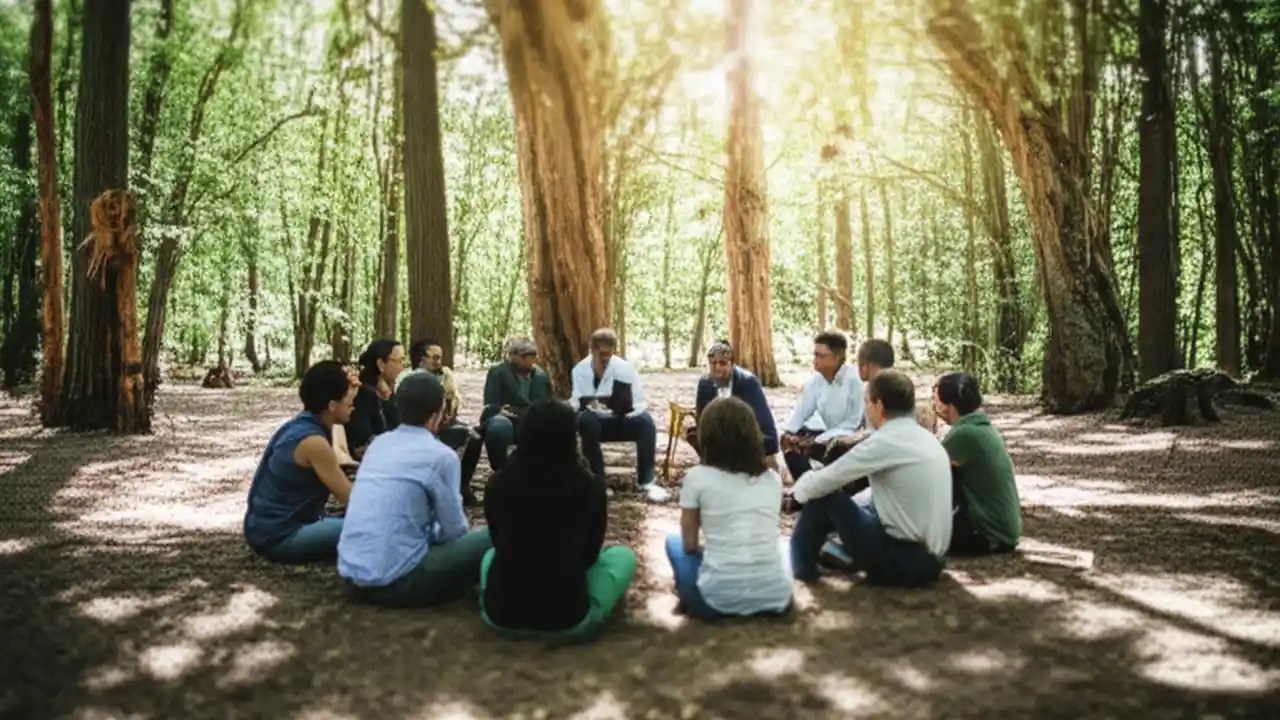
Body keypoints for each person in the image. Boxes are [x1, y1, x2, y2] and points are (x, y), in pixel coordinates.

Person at [481, 400, 637, 642]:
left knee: (490, 556)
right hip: (567, 620)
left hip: (500, 617)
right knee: (623, 556)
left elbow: (496, 538)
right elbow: (590, 556)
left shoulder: (498, 483)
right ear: (570, 438)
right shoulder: (590, 486)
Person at [338, 373, 492, 607]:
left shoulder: (379, 444)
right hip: (398, 582)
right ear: (436, 415)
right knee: (495, 535)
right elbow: (455, 530)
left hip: (352, 576)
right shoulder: (441, 456)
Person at [789, 370, 951, 587]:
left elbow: (827, 479)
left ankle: (801, 569)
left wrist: (795, 494)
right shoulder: (927, 439)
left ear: (879, 405)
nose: (866, 409)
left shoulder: (885, 441)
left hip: (904, 562)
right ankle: (827, 554)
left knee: (826, 496)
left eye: (867, 402)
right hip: (933, 561)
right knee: (858, 501)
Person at [667, 397, 793, 619]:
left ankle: (688, 597)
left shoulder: (697, 478)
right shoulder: (772, 479)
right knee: (781, 546)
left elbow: (689, 545)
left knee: (673, 542)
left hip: (715, 602)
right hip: (777, 599)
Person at [244, 361, 356, 564]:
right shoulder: (314, 443)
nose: (353, 406)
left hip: (263, 529)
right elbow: (351, 498)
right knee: (368, 529)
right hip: (280, 536)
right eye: (349, 402)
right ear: (331, 406)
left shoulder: (301, 425)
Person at [572, 328, 665, 502]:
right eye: (602, 354)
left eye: (609, 354)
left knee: (646, 422)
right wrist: (586, 405)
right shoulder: (580, 370)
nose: (606, 359)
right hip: (596, 423)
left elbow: (639, 401)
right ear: (592, 350)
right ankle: (597, 480)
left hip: (621, 420)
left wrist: (626, 409)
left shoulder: (625, 368)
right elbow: (577, 399)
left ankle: (646, 480)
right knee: (584, 420)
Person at [933, 372, 1021, 555]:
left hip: (987, 533)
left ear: (948, 405)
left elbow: (928, 471)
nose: (934, 405)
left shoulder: (964, 434)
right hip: (1003, 530)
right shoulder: (981, 427)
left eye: (936, 399)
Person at [780, 331, 864, 482]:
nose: (815, 361)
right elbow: (801, 412)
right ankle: (806, 489)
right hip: (824, 434)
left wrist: (819, 441)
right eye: (815, 355)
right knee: (791, 447)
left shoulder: (854, 381)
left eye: (821, 356)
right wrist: (788, 434)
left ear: (837, 357)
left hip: (849, 439)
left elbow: (853, 422)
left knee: (832, 447)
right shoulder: (815, 382)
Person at [686, 341, 780, 468]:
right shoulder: (705, 384)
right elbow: (702, 420)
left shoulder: (748, 383)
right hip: (718, 443)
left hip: (746, 440)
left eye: (723, 363)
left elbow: (765, 427)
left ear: (732, 364)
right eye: (714, 363)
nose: (718, 368)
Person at [478, 337, 552, 473]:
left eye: (533, 355)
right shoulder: (498, 373)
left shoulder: (541, 377)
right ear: (512, 356)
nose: (529, 360)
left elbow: (547, 403)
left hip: (532, 419)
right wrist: (502, 411)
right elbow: (490, 404)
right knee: (499, 426)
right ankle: (501, 471)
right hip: (506, 418)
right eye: (524, 356)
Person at [345, 339, 405, 459]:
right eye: (399, 361)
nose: (403, 366)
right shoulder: (363, 395)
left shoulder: (390, 392)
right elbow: (363, 441)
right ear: (381, 364)